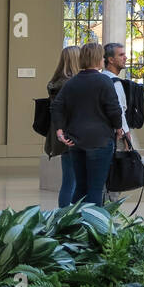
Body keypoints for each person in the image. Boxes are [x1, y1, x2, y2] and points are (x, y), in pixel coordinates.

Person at [51, 42, 124, 206]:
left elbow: (57, 106)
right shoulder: (104, 81)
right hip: (100, 141)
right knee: (96, 189)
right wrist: (119, 128)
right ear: (98, 58)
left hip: (75, 141)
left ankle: (76, 225)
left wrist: (60, 132)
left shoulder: (72, 82)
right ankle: (92, 227)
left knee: (81, 187)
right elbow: (114, 109)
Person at [45, 45, 80, 207]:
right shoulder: (71, 84)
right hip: (73, 135)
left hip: (61, 135)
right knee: (72, 181)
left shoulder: (55, 83)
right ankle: (67, 215)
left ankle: (64, 215)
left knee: (68, 180)